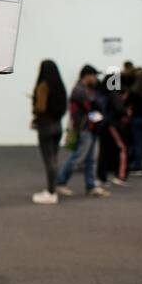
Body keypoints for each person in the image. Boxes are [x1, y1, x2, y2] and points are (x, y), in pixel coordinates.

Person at [55, 65, 109, 198]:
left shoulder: (87, 89)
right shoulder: (79, 91)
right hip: (84, 129)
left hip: (91, 129)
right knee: (77, 157)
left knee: (90, 160)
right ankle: (61, 183)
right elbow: (91, 109)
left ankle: (91, 186)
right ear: (87, 75)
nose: (96, 78)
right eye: (94, 75)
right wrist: (99, 115)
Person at [30, 60, 66, 205]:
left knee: (49, 160)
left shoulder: (43, 86)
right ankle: (54, 188)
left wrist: (34, 111)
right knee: (54, 158)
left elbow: (40, 107)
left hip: (45, 126)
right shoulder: (60, 87)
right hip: (58, 126)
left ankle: (51, 192)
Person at [96, 72, 130, 188]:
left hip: (103, 124)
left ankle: (102, 177)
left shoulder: (100, 93)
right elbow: (119, 109)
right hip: (112, 124)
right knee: (122, 148)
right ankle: (120, 176)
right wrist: (126, 111)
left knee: (104, 151)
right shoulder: (113, 94)